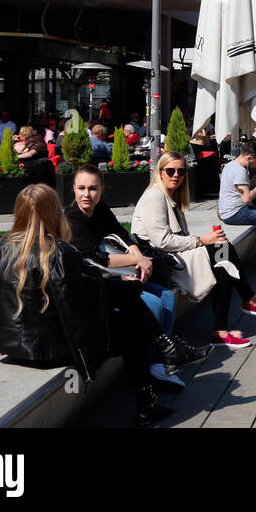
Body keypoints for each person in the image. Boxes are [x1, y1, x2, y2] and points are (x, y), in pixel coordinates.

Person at [0, 183, 208, 426]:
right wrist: (86, 363)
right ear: (54, 212)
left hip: (6, 341)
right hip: (47, 348)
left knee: (119, 292)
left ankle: (167, 347)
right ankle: (152, 389)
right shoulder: (58, 252)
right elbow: (74, 308)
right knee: (130, 324)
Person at [63, 164, 211, 391]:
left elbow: (123, 235)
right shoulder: (73, 219)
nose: (86, 194)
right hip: (93, 282)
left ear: (101, 190)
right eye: (81, 188)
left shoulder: (100, 208)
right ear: (73, 189)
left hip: (113, 275)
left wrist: (141, 257)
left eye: (92, 189)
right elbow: (95, 258)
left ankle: (160, 363)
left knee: (167, 298)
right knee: (152, 303)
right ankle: (159, 360)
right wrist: (136, 261)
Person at [132, 150, 256, 349]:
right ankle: (246, 301)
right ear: (160, 172)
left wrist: (204, 242)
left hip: (172, 256)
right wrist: (202, 241)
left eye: (181, 172)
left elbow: (177, 238)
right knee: (221, 251)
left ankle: (223, 329)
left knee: (223, 261)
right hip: (160, 261)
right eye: (170, 171)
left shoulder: (170, 196)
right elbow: (162, 241)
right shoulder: (154, 196)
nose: (176, 175)